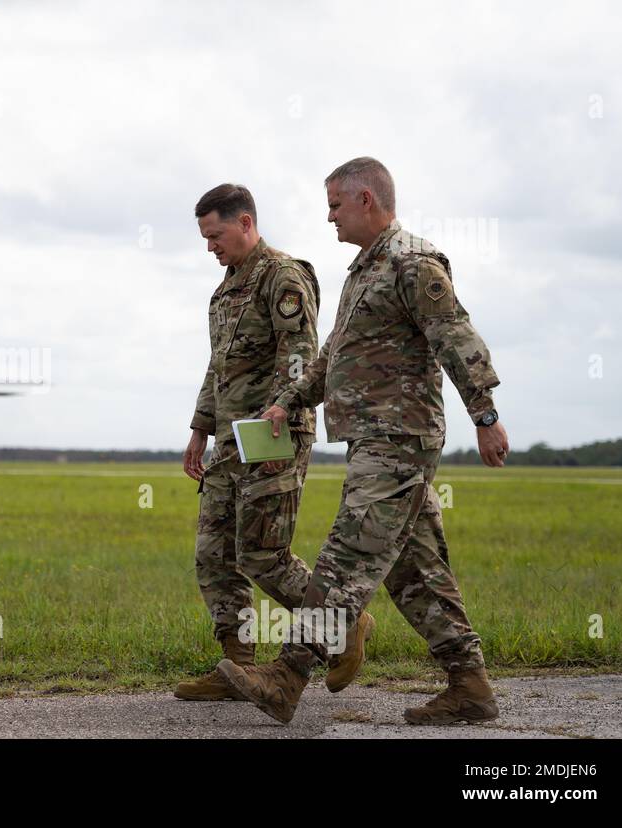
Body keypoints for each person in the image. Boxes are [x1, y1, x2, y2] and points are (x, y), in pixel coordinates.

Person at [218, 157, 508, 725]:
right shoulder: (364, 270)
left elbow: (455, 334)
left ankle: (287, 676)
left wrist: (485, 411)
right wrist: (292, 399)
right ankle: (469, 686)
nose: (329, 218)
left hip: (399, 438)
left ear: (366, 200)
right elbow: (336, 358)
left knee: (344, 559)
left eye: (334, 205)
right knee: (414, 569)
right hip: (374, 439)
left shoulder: (411, 262)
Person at [178, 183, 373, 702]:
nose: (210, 247)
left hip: (273, 436)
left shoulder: (282, 276)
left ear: (245, 223)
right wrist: (200, 430)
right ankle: (236, 667)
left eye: (216, 235)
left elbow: (302, 356)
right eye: (204, 238)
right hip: (228, 440)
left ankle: (342, 624)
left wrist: (280, 413)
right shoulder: (225, 290)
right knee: (214, 554)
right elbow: (218, 367)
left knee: (263, 554)